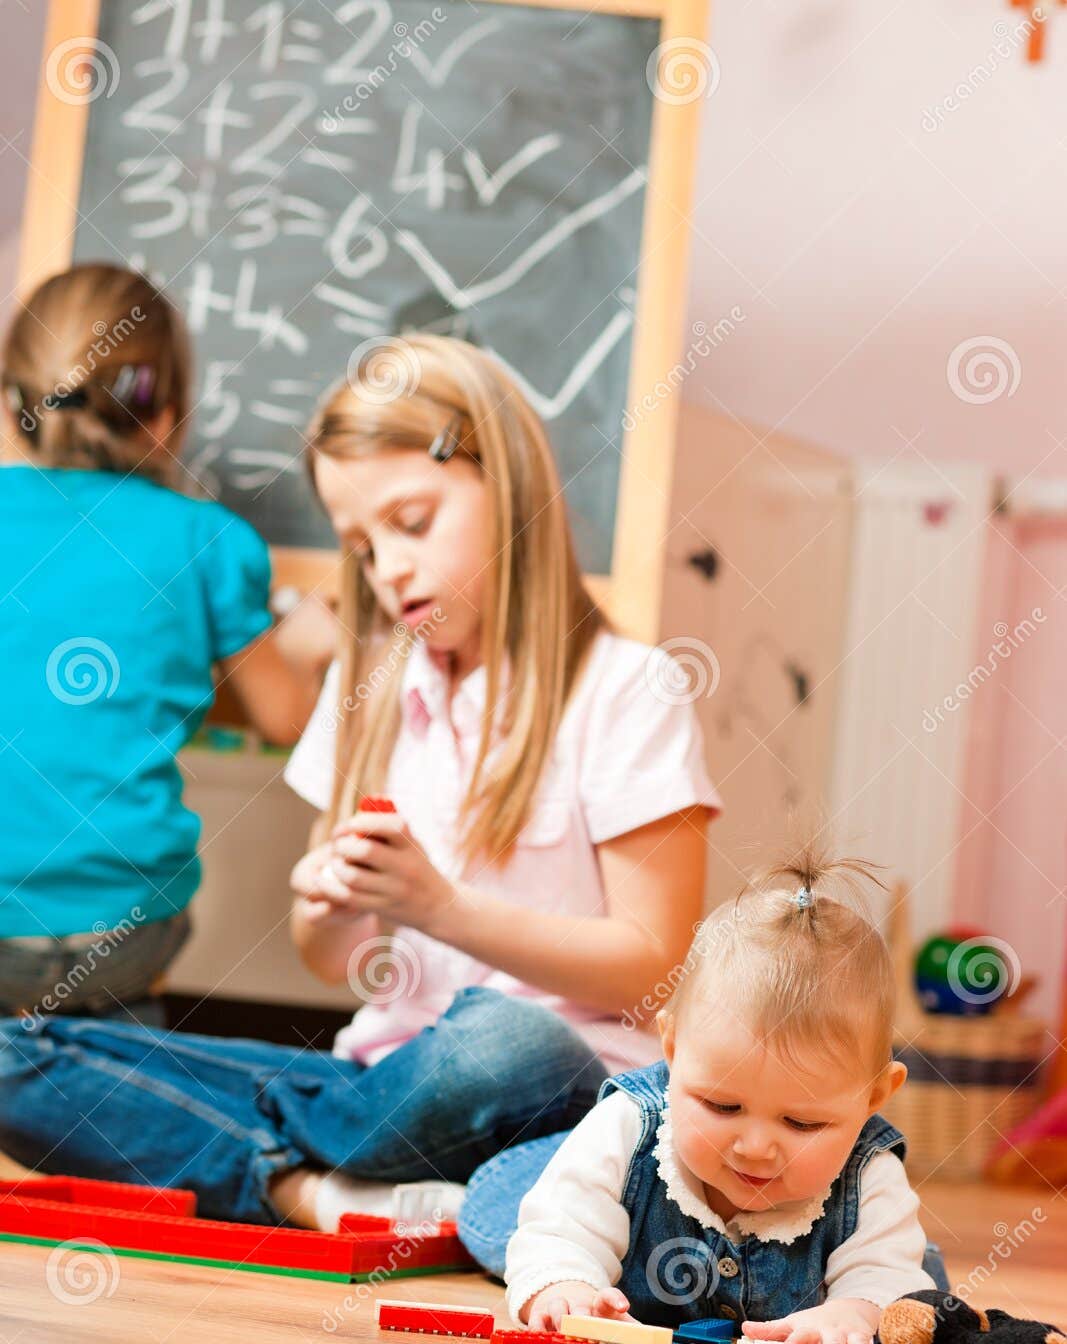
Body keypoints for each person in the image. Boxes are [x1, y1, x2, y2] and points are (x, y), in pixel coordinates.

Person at [0, 334, 720, 1230]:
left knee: (503, 1040)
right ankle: (319, 1191)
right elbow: (331, 959)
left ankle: (276, 1158)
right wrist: (329, 903)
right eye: (362, 547)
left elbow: (654, 970)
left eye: (411, 523)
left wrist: (441, 908)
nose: (387, 570)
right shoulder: (368, 687)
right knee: (12, 1060)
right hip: (379, 1087)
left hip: (555, 1088)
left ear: (507, 481)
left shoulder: (628, 689)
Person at [0, 263, 331, 1025]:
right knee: (106, 1027)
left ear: (15, 401)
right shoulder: (210, 542)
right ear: (168, 413)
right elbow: (287, 723)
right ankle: (115, 1087)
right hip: (120, 931)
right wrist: (312, 645)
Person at [493, 847, 948, 1344]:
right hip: (547, 1182)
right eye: (722, 1105)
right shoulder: (630, 1126)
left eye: (802, 1122)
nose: (754, 1147)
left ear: (874, 1096)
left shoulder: (870, 1177)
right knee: (502, 1222)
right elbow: (559, 1229)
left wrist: (853, 1312)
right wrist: (565, 1287)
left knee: (926, 1286)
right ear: (671, 1050)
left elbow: (885, 1276)